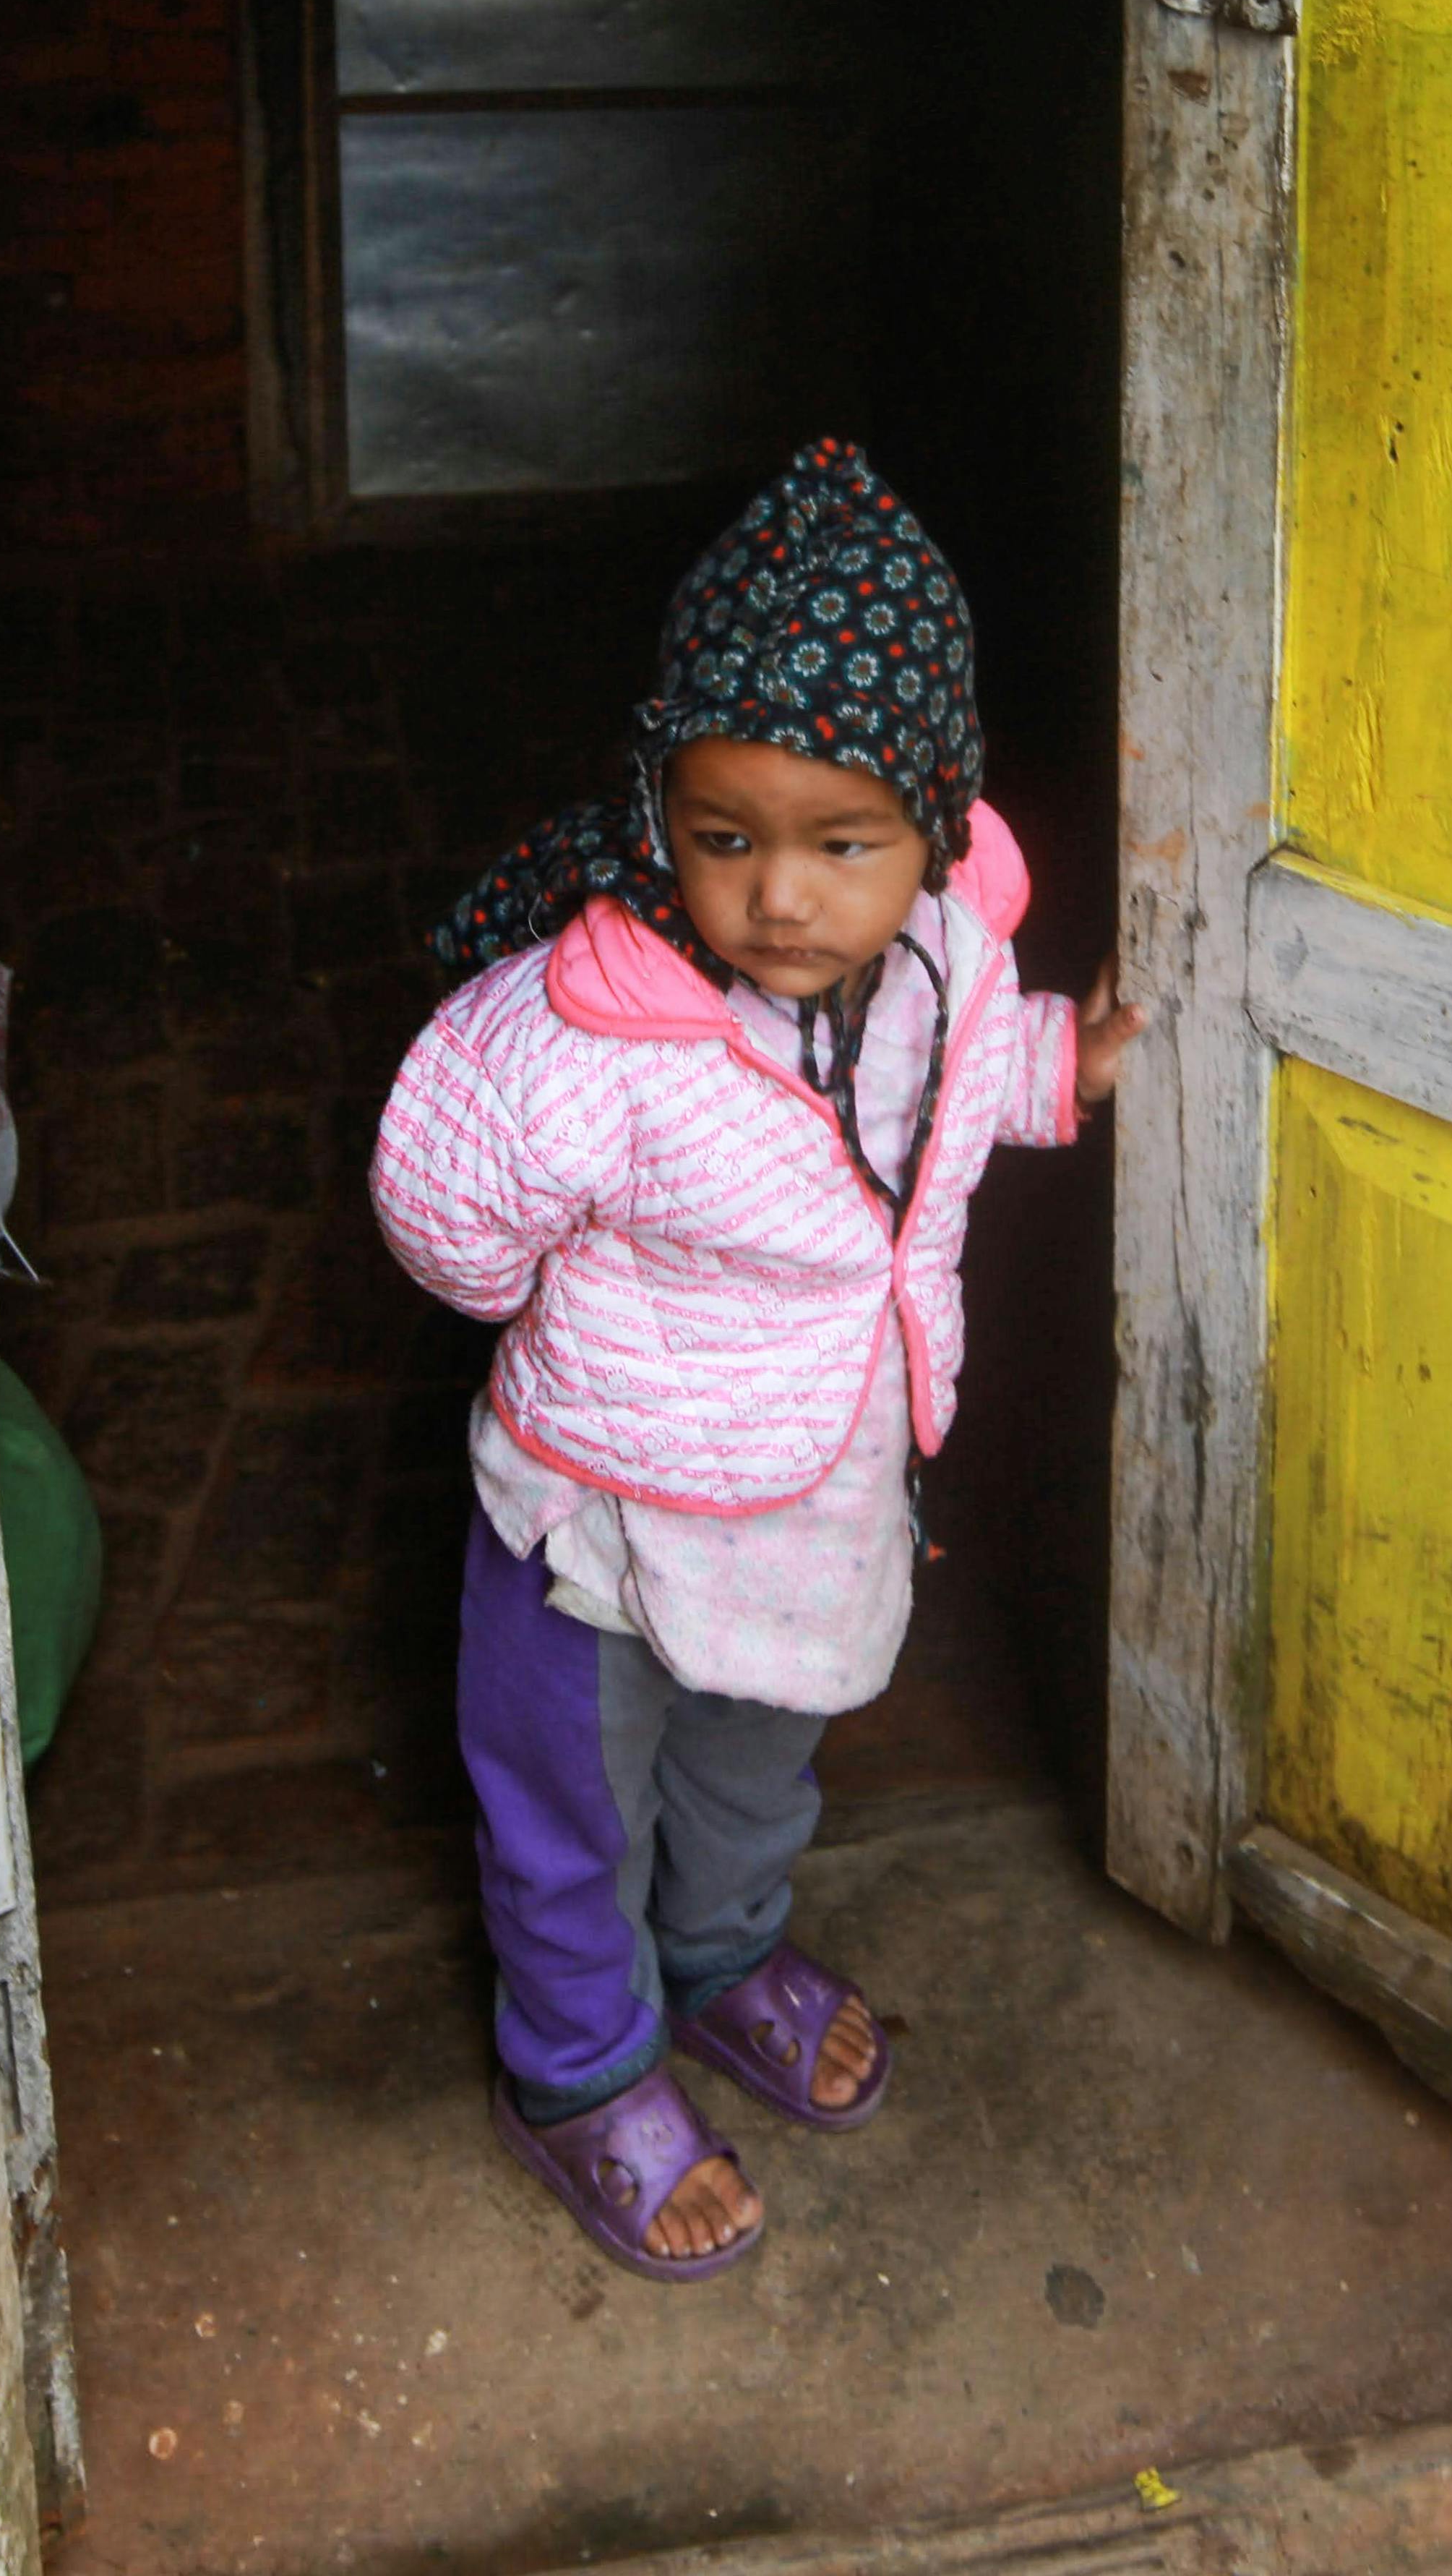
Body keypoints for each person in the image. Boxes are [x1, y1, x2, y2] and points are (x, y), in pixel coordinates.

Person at [370, 440, 1143, 2280]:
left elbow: (940, 1100)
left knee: (753, 1770)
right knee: (572, 1808)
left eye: (840, 846)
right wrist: (568, 1318)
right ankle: (579, 2069)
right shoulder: (593, 1027)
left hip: (815, 1486)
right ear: (665, 814)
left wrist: (1060, 1072)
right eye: (726, 841)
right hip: (604, 1518)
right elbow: (443, 1203)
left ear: (938, 832)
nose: (780, 897)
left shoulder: (945, 963)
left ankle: (718, 1962)